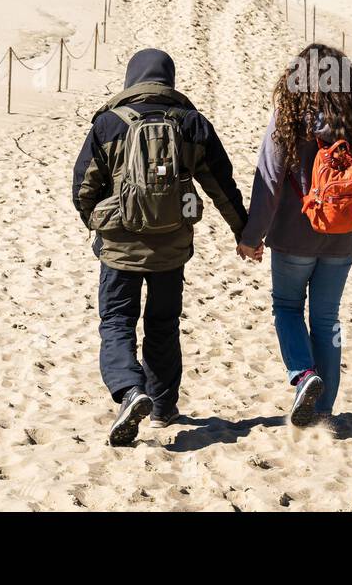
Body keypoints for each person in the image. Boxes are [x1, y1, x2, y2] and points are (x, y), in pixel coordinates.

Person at [72, 48, 248, 446]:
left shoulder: (109, 123)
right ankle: (164, 408)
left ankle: (130, 392)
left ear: (132, 78)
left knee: (117, 322)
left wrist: (99, 225)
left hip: (119, 247)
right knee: (163, 325)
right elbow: (221, 185)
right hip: (172, 247)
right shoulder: (191, 123)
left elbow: (83, 189)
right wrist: (243, 232)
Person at [238, 44, 352, 426]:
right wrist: (337, 202)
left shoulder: (288, 115)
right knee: (327, 319)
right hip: (342, 239)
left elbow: (268, 180)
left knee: (286, 307)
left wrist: (252, 235)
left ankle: (303, 375)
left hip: (293, 237)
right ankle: (323, 410)